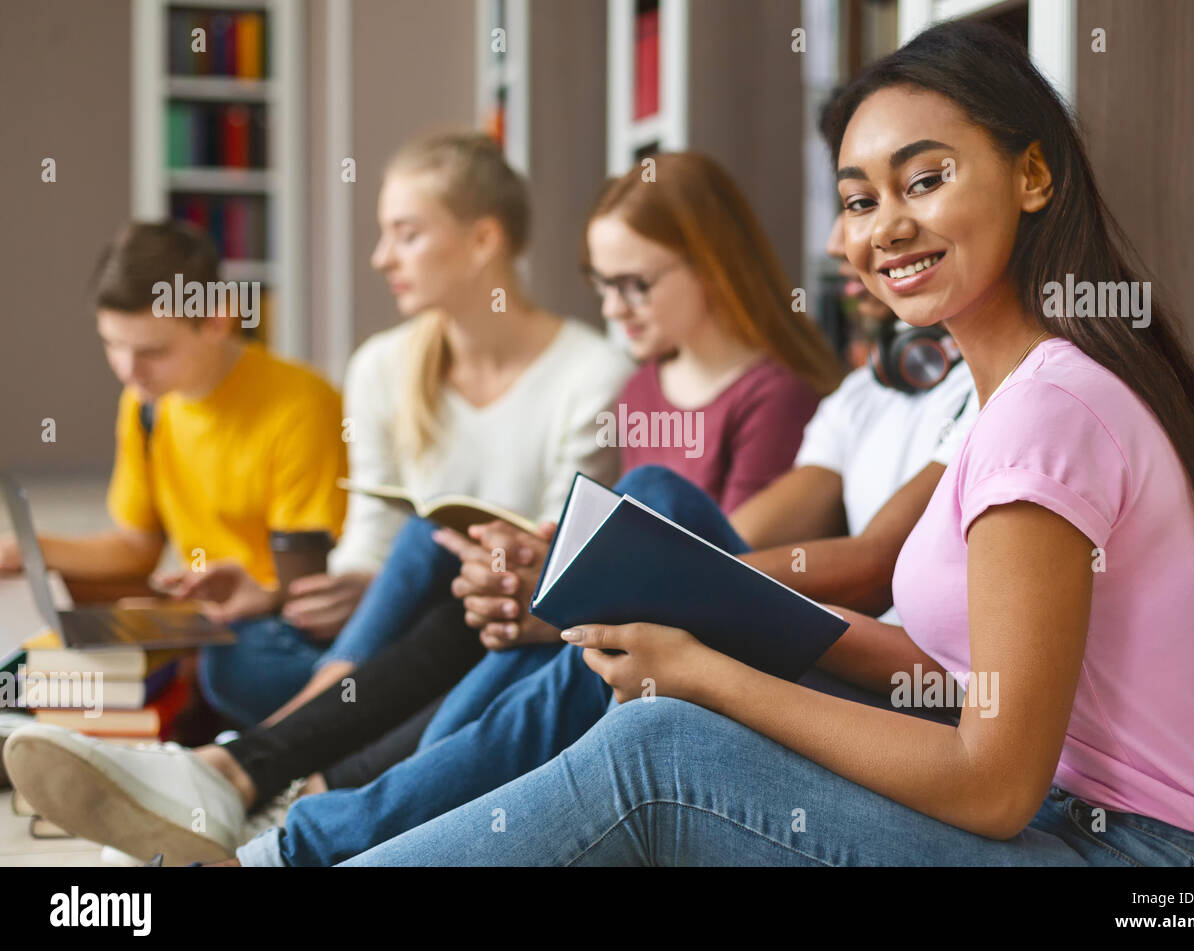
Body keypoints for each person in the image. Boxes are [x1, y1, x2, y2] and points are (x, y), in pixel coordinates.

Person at [333, 19, 1194, 866]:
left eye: (925, 179)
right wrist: (695, 623)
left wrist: (706, 673)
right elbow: (943, 671)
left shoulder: (1049, 410)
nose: (886, 226)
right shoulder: (1018, 397)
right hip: (1084, 825)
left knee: (660, 755)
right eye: (860, 197)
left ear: (1034, 174)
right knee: (666, 721)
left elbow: (993, 784)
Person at [1, 185, 983, 866]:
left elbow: (833, 563)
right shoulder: (852, 394)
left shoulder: (825, 393)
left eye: (634, 283)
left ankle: (273, 788)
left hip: (857, 673)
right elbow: (754, 546)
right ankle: (274, 792)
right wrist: (586, 576)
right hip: (707, 629)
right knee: (505, 575)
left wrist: (600, 578)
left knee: (628, 525)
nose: (869, 239)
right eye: (855, 204)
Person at [172, 130, 634, 725]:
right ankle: (342, 728)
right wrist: (307, 595)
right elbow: (371, 538)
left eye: (406, 234)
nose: (381, 257)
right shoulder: (380, 366)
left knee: (445, 582)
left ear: (482, 240)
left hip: (499, 625)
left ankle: (295, 735)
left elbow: (555, 555)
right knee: (237, 658)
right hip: (397, 626)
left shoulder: (593, 373)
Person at [0, 221, 350, 707]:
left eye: (152, 351)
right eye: (112, 344)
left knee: (237, 668)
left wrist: (180, 622)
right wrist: (25, 552)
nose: (127, 369)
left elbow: (306, 592)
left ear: (217, 321)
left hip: (276, 621)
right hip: (198, 612)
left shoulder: (301, 407)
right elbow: (136, 546)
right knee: (42, 628)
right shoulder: (146, 404)